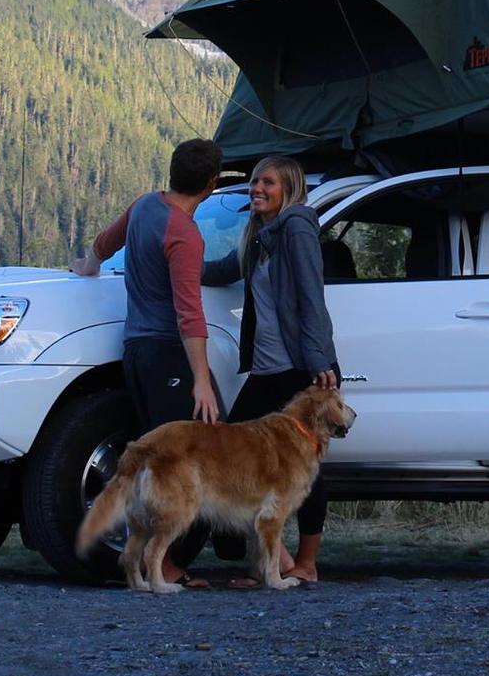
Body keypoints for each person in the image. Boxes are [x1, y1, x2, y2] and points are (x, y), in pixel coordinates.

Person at [74, 137, 224, 588]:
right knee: (186, 461)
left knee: (155, 458)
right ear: (212, 184)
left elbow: (105, 242)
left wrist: (88, 265)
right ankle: (170, 564)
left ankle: (146, 557)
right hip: (166, 355)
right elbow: (189, 312)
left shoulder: (143, 207)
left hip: (135, 350)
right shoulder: (183, 233)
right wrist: (201, 379)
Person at [201, 155, 339, 583]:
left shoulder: (296, 227)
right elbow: (223, 270)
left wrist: (319, 363)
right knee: (238, 456)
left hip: (300, 367)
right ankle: (273, 564)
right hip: (267, 368)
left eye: (268, 182)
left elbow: (311, 298)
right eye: (254, 182)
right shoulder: (260, 234)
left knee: (306, 466)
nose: (256, 188)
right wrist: (173, 264)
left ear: (289, 189)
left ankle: (307, 564)